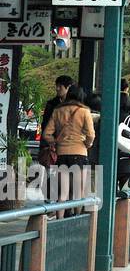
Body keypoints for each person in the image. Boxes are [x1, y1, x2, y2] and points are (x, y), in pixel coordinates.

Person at [44, 84, 95, 212]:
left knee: (63, 193)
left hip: (62, 154)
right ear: (81, 96)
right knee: (78, 191)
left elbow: (46, 134)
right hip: (80, 153)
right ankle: (76, 220)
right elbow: (91, 134)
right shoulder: (84, 111)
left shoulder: (58, 111)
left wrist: (55, 142)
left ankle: (59, 220)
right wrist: (87, 144)